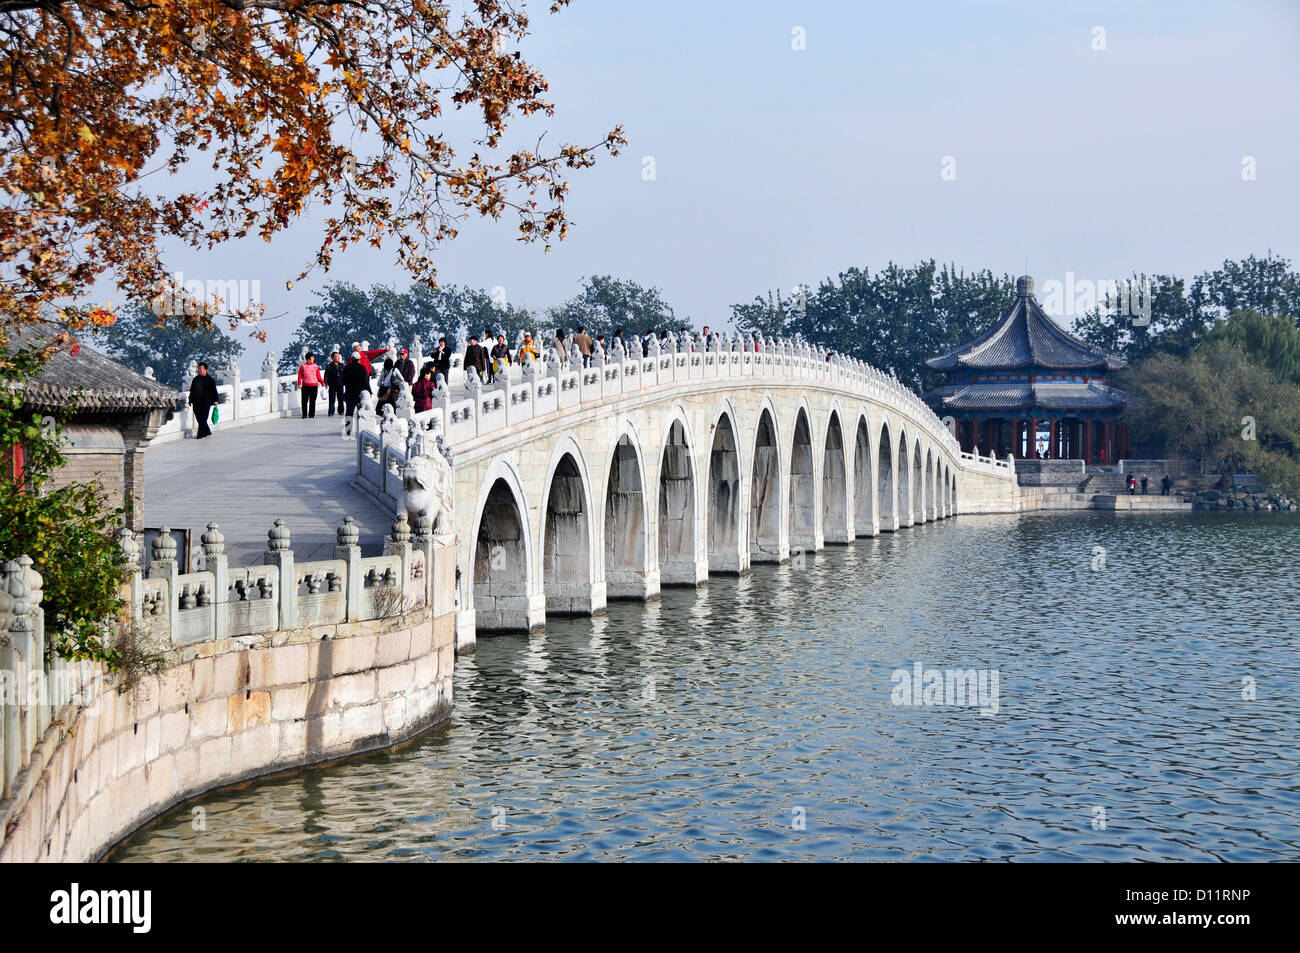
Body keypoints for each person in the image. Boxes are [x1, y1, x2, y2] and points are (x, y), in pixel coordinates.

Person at [188, 362, 219, 439]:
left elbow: (214, 390)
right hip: (196, 402)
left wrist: (215, 400)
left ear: (205, 370)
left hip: (206, 402)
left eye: (201, 369)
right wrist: (190, 399)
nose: (199, 370)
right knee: (199, 418)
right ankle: (207, 431)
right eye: (198, 369)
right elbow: (192, 390)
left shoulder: (210, 380)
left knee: (203, 418)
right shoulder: (196, 379)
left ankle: (200, 434)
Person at [297, 352, 325, 418]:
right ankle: (304, 414)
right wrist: (299, 383)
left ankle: (311, 415)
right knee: (304, 401)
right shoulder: (303, 366)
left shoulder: (315, 366)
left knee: (312, 401)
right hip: (305, 386)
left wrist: (322, 382)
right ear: (308, 358)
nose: (313, 358)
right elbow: (299, 375)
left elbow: (318, 376)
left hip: (314, 386)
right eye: (312, 357)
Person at [343, 353, 370, 417]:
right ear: (359, 359)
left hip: (349, 393)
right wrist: (369, 391)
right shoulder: (362, 368)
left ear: (351, 359)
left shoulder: (346, 368)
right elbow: (366, 381)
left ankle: (348, 426)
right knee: (361, 412)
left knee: (349, 412)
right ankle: (360, 426)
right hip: (360, 393)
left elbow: (343, 381)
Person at [324, 350, 346, 416]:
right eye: (336, 356)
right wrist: (326, 383)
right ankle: (331, 412)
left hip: (340, 385)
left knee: (341, 399)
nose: (338, 358)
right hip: (332, 385)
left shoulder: (342, 366)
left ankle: (341, 411)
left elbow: (345, 375)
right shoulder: (329, 366)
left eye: (339, 356)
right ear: (333, 358)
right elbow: (326, 376)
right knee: (332, 399)